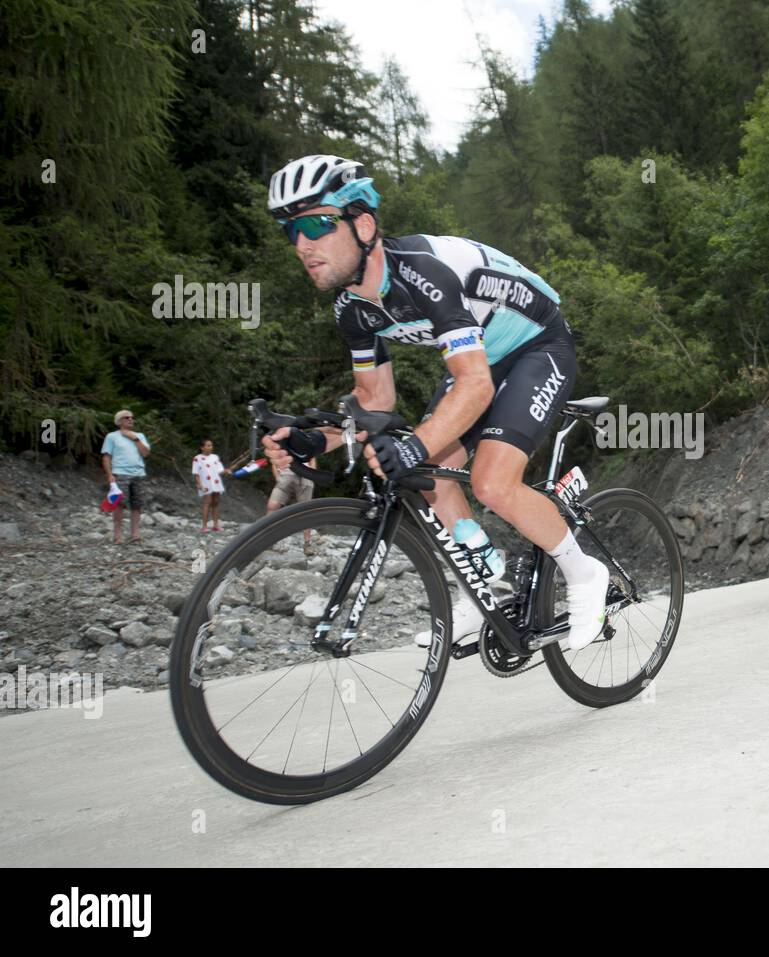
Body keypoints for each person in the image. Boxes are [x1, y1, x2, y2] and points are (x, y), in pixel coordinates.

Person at [258, 154, 610, 652]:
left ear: (363, 224)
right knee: (433, 477)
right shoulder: (352, 308)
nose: (303, 244)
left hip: (537, 345)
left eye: (316, 223)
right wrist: (320, 437)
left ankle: (584, 574)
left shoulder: (424, 273)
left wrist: (415, 445)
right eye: (292, 231)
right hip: (482, 357)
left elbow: (476, 387)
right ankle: (488, 584)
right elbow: (373, 399)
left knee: (489, 481)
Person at [100, 410, 151, 544]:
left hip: (138, 474)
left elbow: (145, 453)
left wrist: (134, 438)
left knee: (137, 505)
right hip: (120, 474)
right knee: (119, 504)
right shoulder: (112, 437)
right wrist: (109, 474)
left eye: (132, 417)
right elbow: (106, 457)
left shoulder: (139, 436)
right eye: (126, 417)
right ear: (119, 421)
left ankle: (135, 534)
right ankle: (118, 536)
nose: (130, 419)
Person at [266, 453, 317, 550]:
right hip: (285, 474)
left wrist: (312, 475)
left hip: (305, 474)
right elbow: (274, 459)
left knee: (305, 510)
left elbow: (312, 458)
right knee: (272, 506)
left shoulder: (308, 439)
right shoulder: (281, 440)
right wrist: (277, 477)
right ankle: (267, 541)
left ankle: (307, 544)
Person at [193, 439, 231, 532]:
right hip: (205, 483)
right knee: (207, 503)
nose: (211, 447)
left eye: (211, 445)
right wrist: (200, 484)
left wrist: (226, 471)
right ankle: (204, 526)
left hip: (216, 482)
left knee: (216, 503)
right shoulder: (197, 458)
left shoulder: (215, 457)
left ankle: (216, 525)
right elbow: (196, 473)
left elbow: (220, 470)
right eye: (208, 445)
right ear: (202, 447)